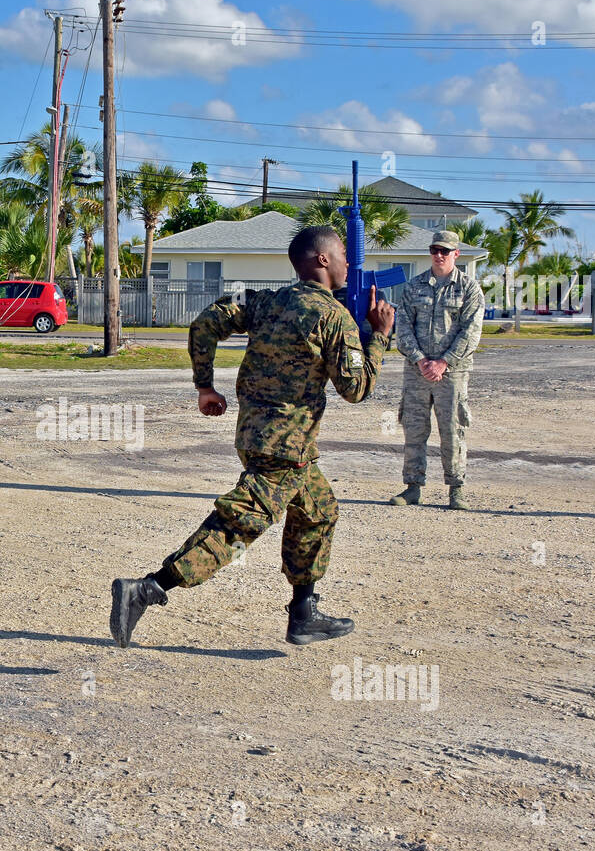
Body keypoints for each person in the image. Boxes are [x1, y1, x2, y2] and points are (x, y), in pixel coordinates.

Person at [110, 226, 394, 648]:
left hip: (259, 438)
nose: (349, 265)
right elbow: (357, 389)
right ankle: (148, 588)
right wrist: (380, 336)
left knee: (319, 512)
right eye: (343, 256)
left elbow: (206, 321)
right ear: (322, 260)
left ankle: (304, 613)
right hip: (286, 448)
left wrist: (205, 385)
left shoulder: (263, 300)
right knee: (236, 528)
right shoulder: (334, 317)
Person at [390, 230, 485, 511]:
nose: (439, 255)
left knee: (452, 430)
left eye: (445, 250)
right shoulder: (413, 287)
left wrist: (444, 362)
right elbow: (402, 326)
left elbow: (471, 332)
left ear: (456, 254)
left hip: (452, 372)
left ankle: (456, 489)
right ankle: (412, 487)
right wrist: (421, 360)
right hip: (417, 371)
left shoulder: (469, 288)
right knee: (414, 430)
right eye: (435, 250)